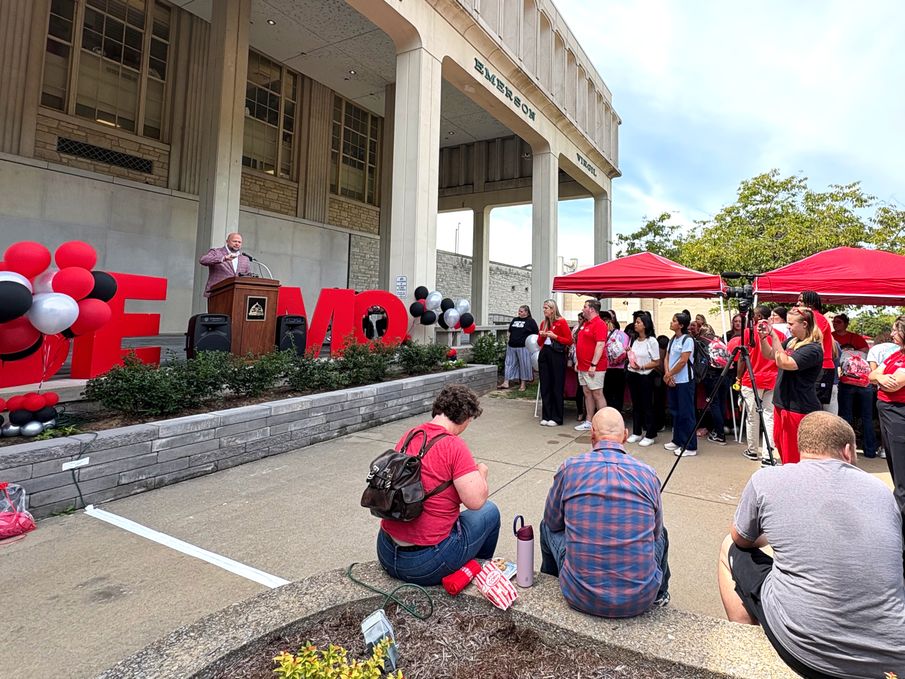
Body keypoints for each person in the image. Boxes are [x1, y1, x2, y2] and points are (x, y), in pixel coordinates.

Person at [717, 412, 905, 679]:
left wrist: (773, 532)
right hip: (894, 662)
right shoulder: (882, 492)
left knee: (729, 548)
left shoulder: (767, 479)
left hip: (809, 655)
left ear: (802, 448)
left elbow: (740, 538)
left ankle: (744, 657)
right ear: (848, 451)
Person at [540, 407, 670, 617]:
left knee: (545, 526)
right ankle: (660, 593)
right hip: (640, 599)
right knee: (662, 533)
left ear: (592, 434)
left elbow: (552, 522)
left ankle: (550, 582)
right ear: (625, 436)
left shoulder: (570, 468)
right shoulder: (648, 474)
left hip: (579, 595)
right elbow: (655, 534)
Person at [376, 384, 500, 586]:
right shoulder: (453, 445)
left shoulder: (411, 434)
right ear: (466, 418)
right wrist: (482, 473)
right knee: (490, 511)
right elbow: (476, 502)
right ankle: (476, 570)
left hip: (387, 552)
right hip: (426, 563)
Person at [758, 307, 823, 464]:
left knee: (792, 453)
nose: (788, 327)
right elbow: (769, 354)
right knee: (781, 446)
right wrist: (763, 338)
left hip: (797, 407)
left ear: (804, 324)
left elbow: (785, 363)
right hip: (782, 403)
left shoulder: (813, 349)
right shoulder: (792, 342)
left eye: (791, 324)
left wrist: (773, 335)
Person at [870, 315, 905, 512]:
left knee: (901, 471)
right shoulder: (897, 354)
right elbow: (871, 375)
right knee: (894, 465)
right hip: (887, 413)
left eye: (895, 330)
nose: (891, 334)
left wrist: (880, 378)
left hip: (898, 414)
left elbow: (895, 385)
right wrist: (881, 378)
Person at [736, 305, 778, 464]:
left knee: (752, 417)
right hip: (772, 379)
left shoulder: (749, 333)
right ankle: (768, 454)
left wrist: (738, 377)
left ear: (758, 316)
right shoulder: (776, 333)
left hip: (752, 378)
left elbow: (742, 358)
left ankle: (753, 450)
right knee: (769, 417)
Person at [834, 313, 877, 458]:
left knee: (848, 415)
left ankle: (845, 450)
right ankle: (869, 450)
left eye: (838, 322)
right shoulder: (855, 339)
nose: (835, 324)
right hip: (863, 383)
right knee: (864, 416)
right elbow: (865, 352)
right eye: (834, 322)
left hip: (847, 381)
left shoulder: (846, 338)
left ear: (846, 324)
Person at [797, 291, 836, 414]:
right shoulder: (813, 317)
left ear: (810, 303)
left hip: (821, 367)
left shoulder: (816, 317)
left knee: (814, 408)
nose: (797, 303)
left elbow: (812, 339)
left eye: (801, 300)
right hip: (816, 366)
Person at [664, 312, 697, 457]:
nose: (671, 323)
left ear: (681, 325)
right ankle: (677, 440)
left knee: (686, 413)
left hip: (684, 381)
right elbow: (667, 358)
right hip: (673, 380)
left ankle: (690, 446)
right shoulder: (672, 339)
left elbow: (683, 361)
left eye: (674, 321)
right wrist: (668, 374)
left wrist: (669, 374)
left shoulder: (687, 340)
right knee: (675, 411)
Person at [626, 313, 660, 446]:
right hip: (633, 373)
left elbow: (656, 361)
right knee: (636, 405)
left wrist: (642, 367)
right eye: (636, 322)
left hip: (646, 375)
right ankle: (636, 432)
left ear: (645, 325)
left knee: (647, 405)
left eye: (638, 322)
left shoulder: (652, 341)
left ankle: (650, 434)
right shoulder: (634, 340)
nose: (636, 324)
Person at [537, 299, 573, 427]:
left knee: (556, 385)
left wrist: (555, 337)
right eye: (543, 308)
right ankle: (546, 415)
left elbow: (569, 340)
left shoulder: (561, 322)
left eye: (546, 308)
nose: (544, 310)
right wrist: (542, 335)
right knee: (545, 385)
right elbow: (539, 343)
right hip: (545, 353)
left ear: (552, 309)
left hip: (556, 354)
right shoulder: (543, 323)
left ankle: (557, 417)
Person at [574, 299, 608, 431]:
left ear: (591, 309)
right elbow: (581, 344)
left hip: (594, 366)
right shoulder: (585, 323)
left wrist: (593, 364)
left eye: (584, 307)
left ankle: (605, 423)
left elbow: (600, 345)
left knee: (597, 393)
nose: (582, 309)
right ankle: (589, 421)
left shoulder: (599, 324)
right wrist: (578, 361)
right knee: (587, 392)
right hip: (583, 365)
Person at [199, 232, 252, 298]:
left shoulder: (244, 258)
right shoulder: (217, 252)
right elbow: (203, 260)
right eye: (234, 241)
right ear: (227, 241)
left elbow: (247, 276)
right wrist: (223, 258)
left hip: (237, 295)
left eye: (239, 242)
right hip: (217, 293)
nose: (237, 244)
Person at [499, 305, 539, 391]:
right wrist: (508, 340)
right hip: (511, 346)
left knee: (524, 365)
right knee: (509, 363)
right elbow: (510, 331)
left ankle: (523, 384)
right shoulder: (515, 319)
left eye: (521, 311)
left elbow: (535, 334)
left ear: (526, 312)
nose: (519, 313)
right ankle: (506, 382)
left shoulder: (531, 321)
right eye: (519, 311)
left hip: (523, 347)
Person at [602, 311, 629, 414]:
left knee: (608, 394)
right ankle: (616, 415)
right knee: (617, 394)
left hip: (607, 368)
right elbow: (625, 351)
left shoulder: (602, 334)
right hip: (617, 368)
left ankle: (610, 416)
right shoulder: (622, 335)